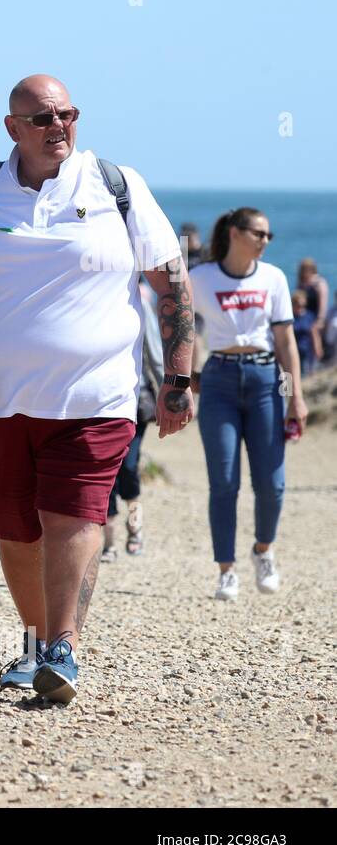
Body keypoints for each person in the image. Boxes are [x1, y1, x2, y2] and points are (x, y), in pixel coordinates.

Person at [0, 74, 193, 704]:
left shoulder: (118, 187)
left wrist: (178, 376)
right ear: (11, 127)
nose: (58, 126)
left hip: (96, 394)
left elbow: (171, 283)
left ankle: (62, 647)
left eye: (67, 114)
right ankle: (35, 641)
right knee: (13, 523)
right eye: (42, 118)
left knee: (74, 512)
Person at [190, 208, 308, 600]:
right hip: (219, 379)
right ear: (236, 234)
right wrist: (185, 378)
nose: (265, 240)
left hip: (264, 381)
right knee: (224, 483)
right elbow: (183, 330)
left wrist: (297, 397)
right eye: (259, 233)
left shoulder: (272, 277)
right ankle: (226, 570)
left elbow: (286, 343)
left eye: (269, 235)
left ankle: (264, 550)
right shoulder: (201, 277)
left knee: (272, 485)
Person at [102, 278, 163, 561]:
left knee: (128, 466)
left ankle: (135, 525)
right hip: (100, 401)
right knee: (104, 471)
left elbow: (154, 351)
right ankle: (108, 543)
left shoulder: (139, 302)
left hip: (136, 401)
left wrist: (168, 392)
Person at [292, 289, 321, 376]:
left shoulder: (309, 316)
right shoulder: (290, 317)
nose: (301, 308)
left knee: (307, 372)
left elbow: (314, 334)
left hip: (307, 350)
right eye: (299, 305)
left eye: (303, 305)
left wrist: (317, 348)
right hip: (294, 351)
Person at [297, 257, 328, 324]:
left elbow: (323, 302)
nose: (305, 271)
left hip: (315, 316)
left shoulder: (319, 282)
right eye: (304, 269)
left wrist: (320, 319)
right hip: (302, 317)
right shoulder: (301, 284)